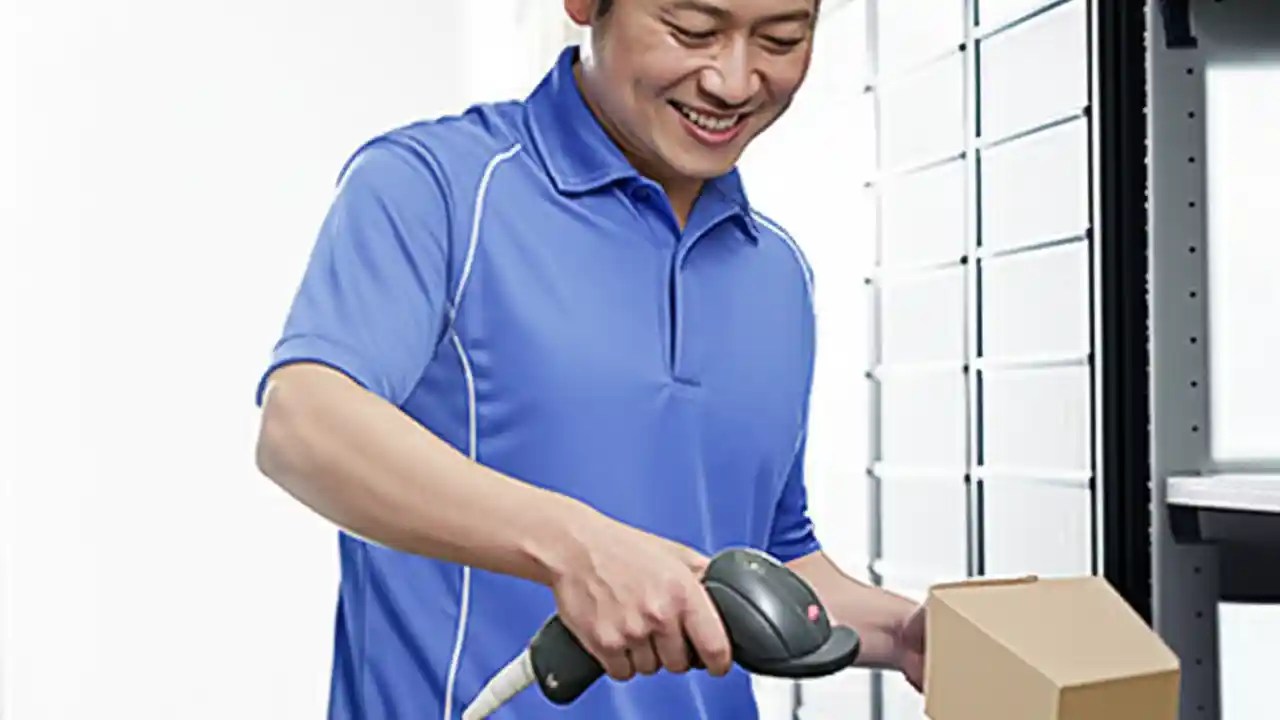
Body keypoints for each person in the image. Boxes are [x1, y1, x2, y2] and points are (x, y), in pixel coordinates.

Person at [254, 0, 925, 718]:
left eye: (781, 39)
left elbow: (769, 566)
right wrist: (573, 549)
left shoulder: (779, 275)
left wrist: (908, 634)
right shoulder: (436, 187)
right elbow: (303, 427)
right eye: (693, 31)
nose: (734, 81)